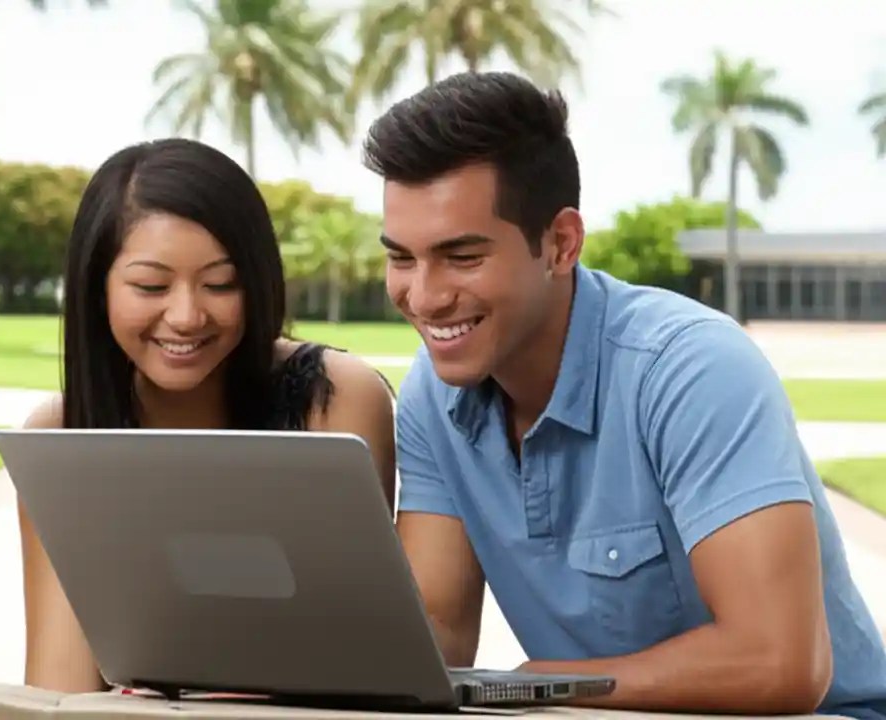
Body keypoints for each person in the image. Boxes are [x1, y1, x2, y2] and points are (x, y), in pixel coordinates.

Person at [364, 71, 886, 719]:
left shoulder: (692, 370)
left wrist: (542, 682)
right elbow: (434, 636)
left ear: (560, 243)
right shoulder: (432, 399)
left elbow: (778, 663)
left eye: (461, 257)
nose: (423, 295)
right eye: (402, 258)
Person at [18, 137, 398, 693]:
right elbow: (60, 687)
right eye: (150, 286)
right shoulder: (60, 434)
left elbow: (358, 650)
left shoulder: (334, 397)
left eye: (221, 284)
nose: (187, 315)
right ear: (97, 289)